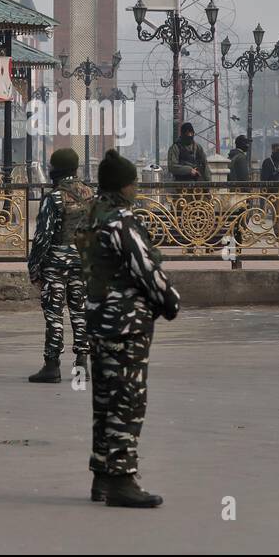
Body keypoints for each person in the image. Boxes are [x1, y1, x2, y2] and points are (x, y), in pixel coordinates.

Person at [80, 149, 180, 508]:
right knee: (127, 401)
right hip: (125, 325)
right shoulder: (121, 221)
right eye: (134, 183)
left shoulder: (91, 218)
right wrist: (170, 302)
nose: (138, 188)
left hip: (98, 321)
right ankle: (122, 479)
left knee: (104, 402)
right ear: (124, 186)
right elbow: (145, 269)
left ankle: (102, 476)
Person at [25, 148, 94, 383]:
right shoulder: (90, 195)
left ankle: (52, 365)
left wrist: (34, 269)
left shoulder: (54, 198)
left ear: (56, 170)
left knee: (54, 314)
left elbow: (42, 238)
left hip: (56, 263)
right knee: (80, 310)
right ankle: (82, 363)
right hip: (83, 263)